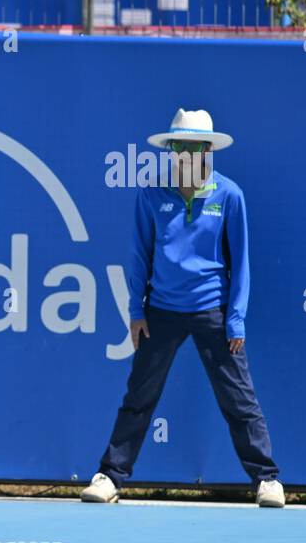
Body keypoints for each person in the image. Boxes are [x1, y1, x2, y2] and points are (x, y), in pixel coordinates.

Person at [81, 109, 284, 508]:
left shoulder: (230, 196)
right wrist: (135, 312)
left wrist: (235, 319)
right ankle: (111, 476)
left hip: (214, 311)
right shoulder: (151, 196)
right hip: (161, 313)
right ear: (171, 152)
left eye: (192, 149)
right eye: (178, 149)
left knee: (239, 401)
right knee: (139, 397)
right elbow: (139, 257)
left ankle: (266, 479)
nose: (184, 157)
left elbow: (240, 263)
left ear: (207, 152)